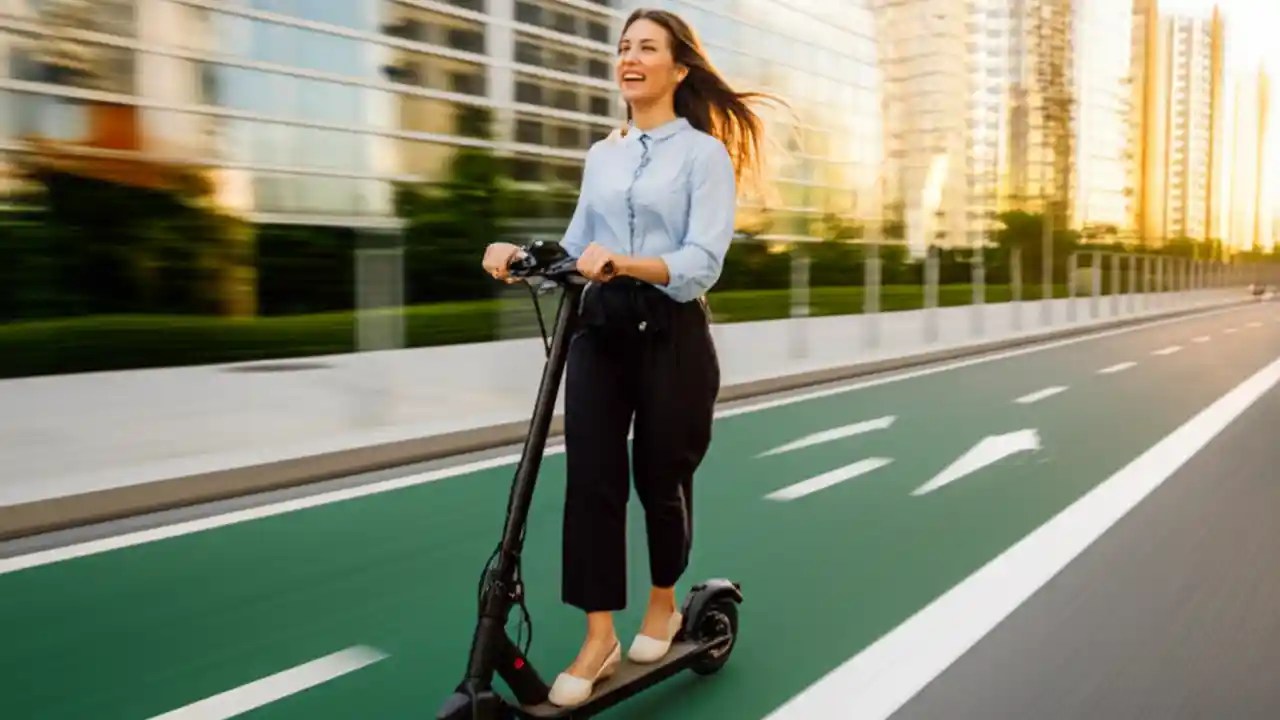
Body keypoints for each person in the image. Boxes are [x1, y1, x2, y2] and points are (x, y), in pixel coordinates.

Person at [480, 8, 778, 707]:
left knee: (660, 476)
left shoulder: (703, 155)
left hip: (671, 329)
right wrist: (521, 258)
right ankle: (598, 637)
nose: (630, 58)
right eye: (624, 48)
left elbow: (702, 262)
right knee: (592, 480)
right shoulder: (602, 155)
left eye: (647, 47)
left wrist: (628, 263)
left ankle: (663, 605)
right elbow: (577, 246)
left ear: (679, 68)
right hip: (600, 328)